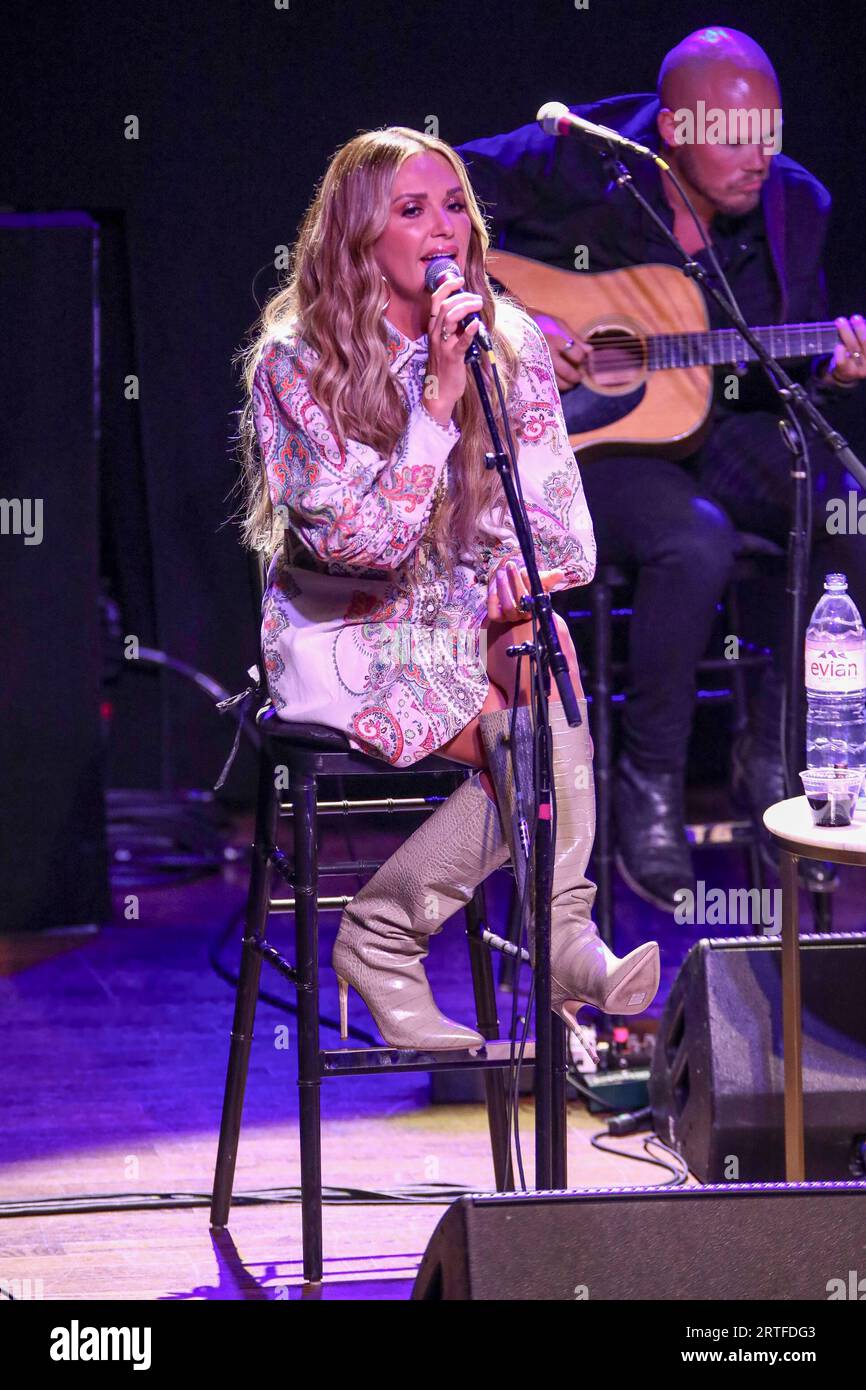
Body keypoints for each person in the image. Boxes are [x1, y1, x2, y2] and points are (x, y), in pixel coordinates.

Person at [236, 126, 659, 1051]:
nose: (443, 229)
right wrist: (433, 403)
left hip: (457, 614)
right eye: (412, 210)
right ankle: (404, 933)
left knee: (541, 651)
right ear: (359, 236)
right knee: (530, 742)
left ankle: (537, 931)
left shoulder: (508, 344)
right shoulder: (294, 364)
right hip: (345, 628)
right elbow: (360, 545)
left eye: (455, 205)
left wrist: (520, 576)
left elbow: (562, 523)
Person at [457, 27, 866, 910]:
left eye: (770, 133)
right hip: (590, 443)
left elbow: (781, 372)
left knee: (845, 511)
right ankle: (649, 787)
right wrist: (518, 320)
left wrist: (831, 372)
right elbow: (434, 199)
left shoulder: (797, 205)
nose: (760, 158)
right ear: (676, 129)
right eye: (736, 137)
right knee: (695, 542)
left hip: (723, 429)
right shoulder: (582, 155)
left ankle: (780, 759)